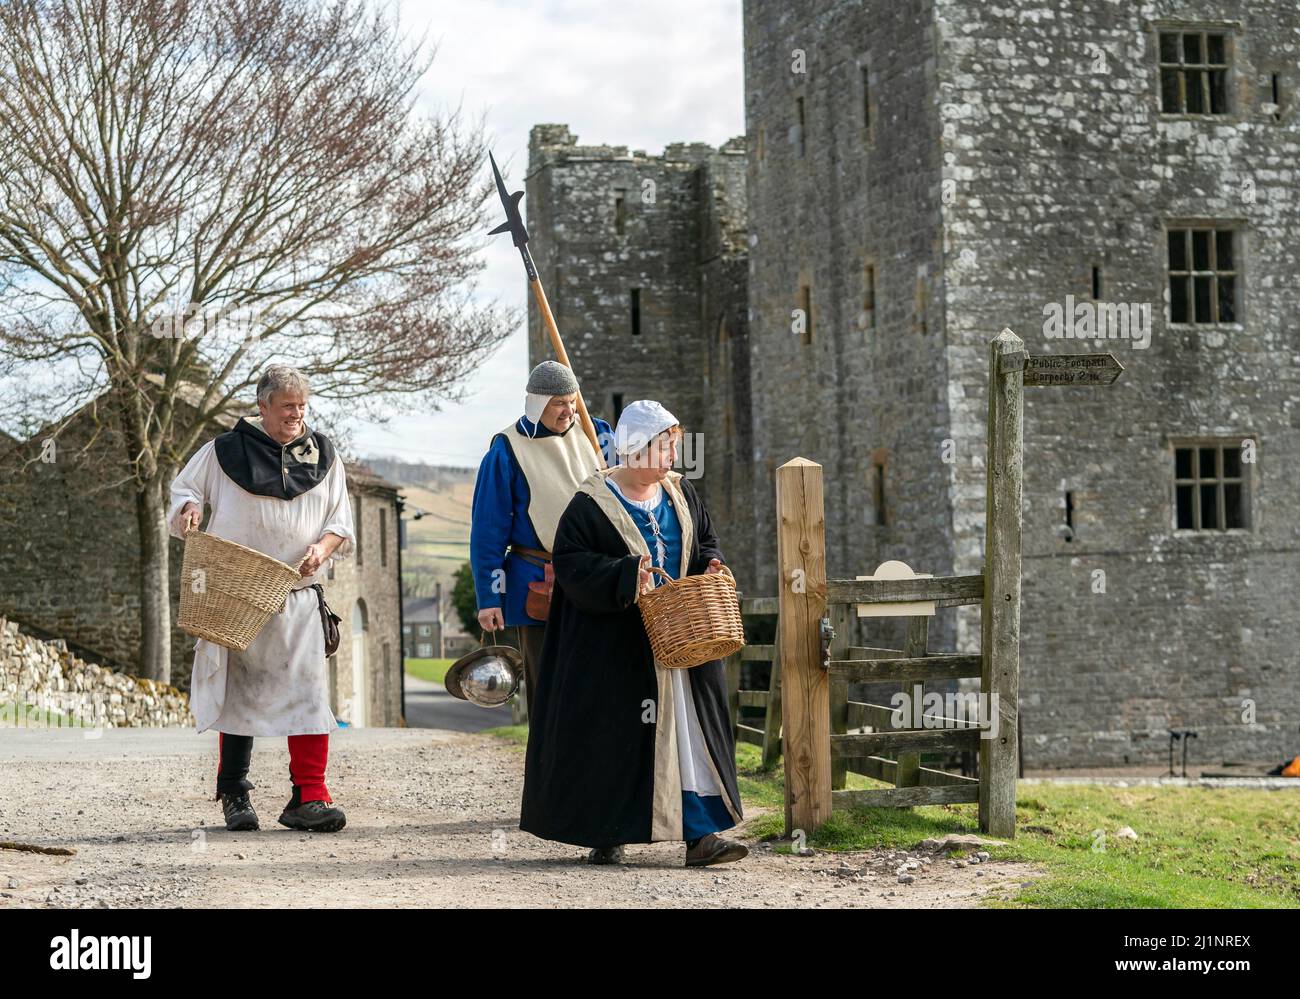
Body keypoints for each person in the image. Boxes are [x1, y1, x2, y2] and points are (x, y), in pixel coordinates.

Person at [519, 400, 748, 867]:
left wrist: (712, 563)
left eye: (673, 447)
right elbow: (571, 564)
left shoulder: (682, 493)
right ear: (637, 449)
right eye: (664, 448)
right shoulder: (591, 504)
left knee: (689, 737)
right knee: (615, 740)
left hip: (683, 641)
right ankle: (607, 833)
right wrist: (625, 575)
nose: (672, 457)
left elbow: (706, 541)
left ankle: (701, 835)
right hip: (617, 649)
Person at [168, 365, 355, 833]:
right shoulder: (223, 451)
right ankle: (234, 793)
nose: (297, 414)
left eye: (302, 406)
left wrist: (322, 549)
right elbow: (185, 488)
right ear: (263, 406)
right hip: (236, 595)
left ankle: (309, 797)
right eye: (287, 405)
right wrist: (189, 508)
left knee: (309, 694)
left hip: (297, 596)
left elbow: (340, 522)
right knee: (239, 693)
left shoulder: (325, 455)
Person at [469, 360, 611, 718]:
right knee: (547, 686)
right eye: (558, 403)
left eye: (572, 401)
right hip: (539, 580)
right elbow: (488, 531)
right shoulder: (506, 450)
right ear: (537, 403)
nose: (568, 411)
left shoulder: (598, 435)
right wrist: (490, 597)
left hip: (597, 575)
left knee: (600, 681)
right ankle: (547, 753)